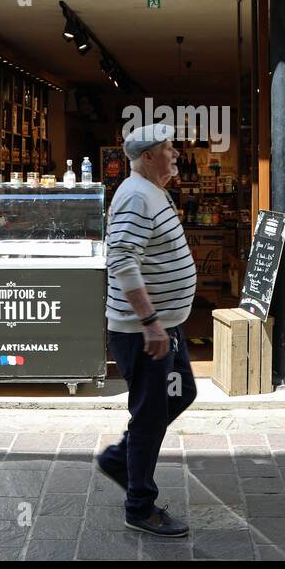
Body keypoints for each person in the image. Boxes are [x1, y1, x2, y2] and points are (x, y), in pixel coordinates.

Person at [96, 123, 197, 537]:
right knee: (150, 414)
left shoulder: (152, 191)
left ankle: (122, 458)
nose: (176, 154)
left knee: (181, 393)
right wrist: (150, 322)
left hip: (163, 327)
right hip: (145, 332)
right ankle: (140, 505)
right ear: (150, 155)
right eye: (170, 148)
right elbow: (120, 260)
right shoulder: (137, 195)